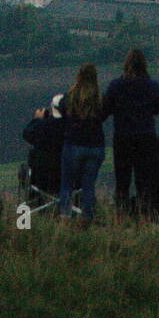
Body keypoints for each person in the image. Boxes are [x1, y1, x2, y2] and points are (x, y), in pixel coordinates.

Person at [102, 49, 159, 212]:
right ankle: (144, 217)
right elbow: (158, 109)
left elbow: (105, 109)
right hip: (146, 137)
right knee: (144, 180)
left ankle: (120, 217)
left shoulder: (116, 85)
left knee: (122, 180)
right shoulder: (153, 86)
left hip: (123, 136)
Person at [58, 64, 105, 223]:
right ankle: (87, 219)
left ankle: (65, 217)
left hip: (74, 145)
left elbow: (62, 110)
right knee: (88, 186)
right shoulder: (100, 99)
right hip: (95, 147)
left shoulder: (70, 97)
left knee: (67, 185)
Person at [22, 93, 65, 198]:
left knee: (25, 169)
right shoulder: (72, 126)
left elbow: (27, 134)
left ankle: (36, 203)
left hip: (42, 178)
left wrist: (37, 119)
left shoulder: (42, 127)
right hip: (67, 177)